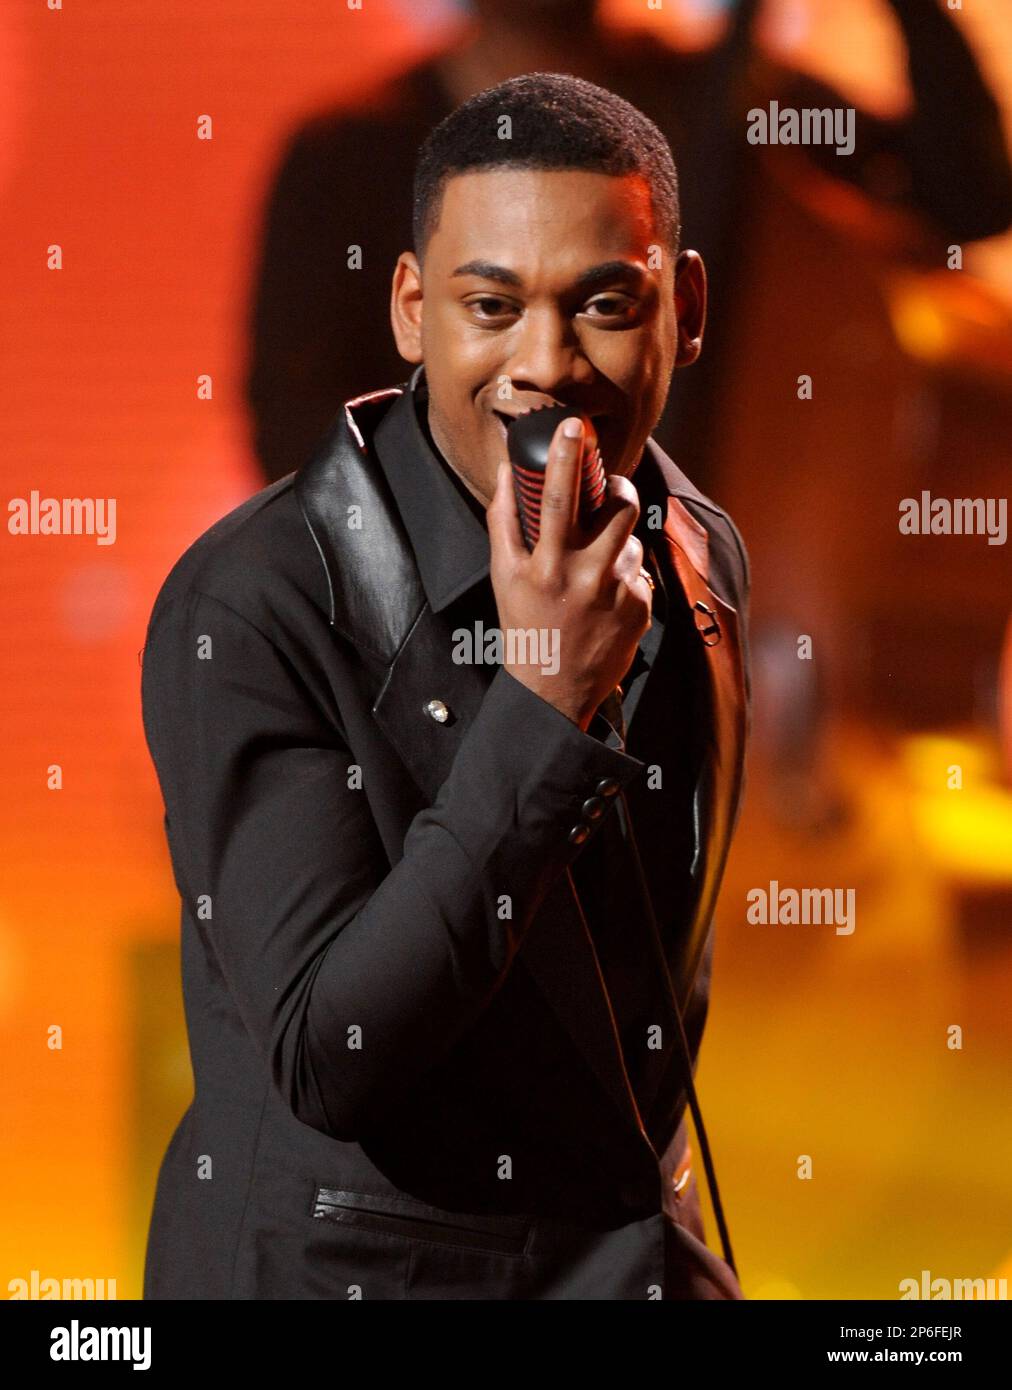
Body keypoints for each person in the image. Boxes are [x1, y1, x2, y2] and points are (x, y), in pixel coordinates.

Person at [140, 73, 751, 1300]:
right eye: (491, 304)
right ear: (413, 311)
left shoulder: (693, 545)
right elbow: (332, 1055)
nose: (547, 364)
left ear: (682, 308)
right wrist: (538, 704)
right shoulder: (258, 603)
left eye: (603, 303)